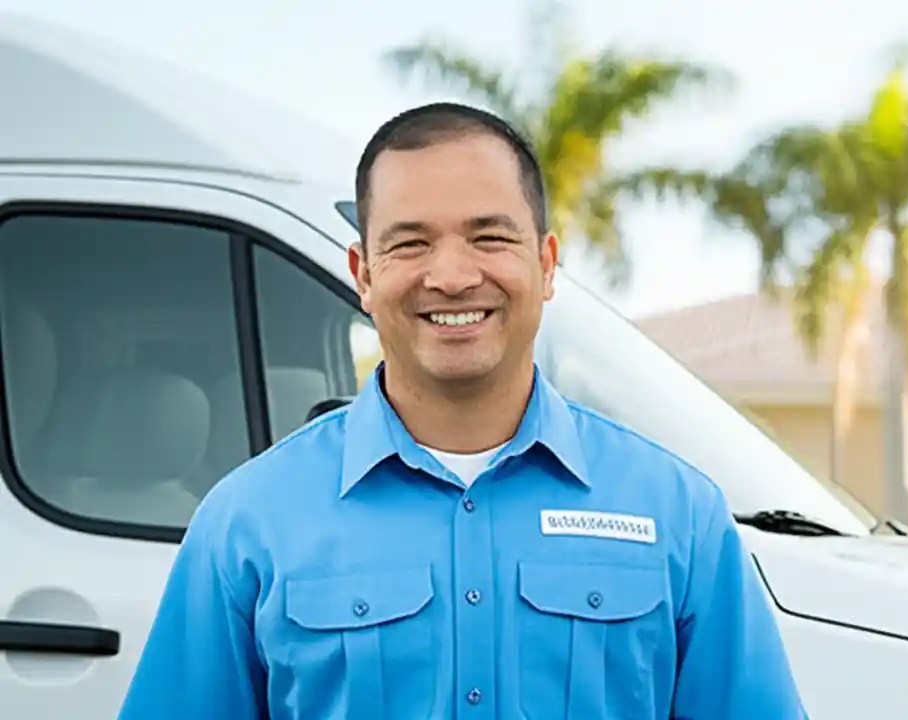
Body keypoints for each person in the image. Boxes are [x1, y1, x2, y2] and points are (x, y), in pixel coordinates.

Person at [116, 102, 808, 719]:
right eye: (410, 243)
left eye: (489, 238)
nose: (451, 276)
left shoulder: (679, 515)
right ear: (363, 273)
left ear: (547, 264)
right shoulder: (247, 523)